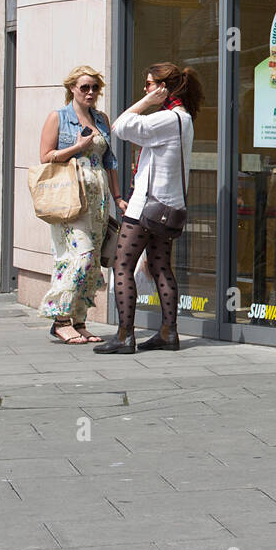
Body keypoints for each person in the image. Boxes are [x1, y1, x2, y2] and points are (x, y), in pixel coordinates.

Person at [94, 63, 201, 354]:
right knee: (161, 267)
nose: (146, 89)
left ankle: (124, 336)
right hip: (168, 207)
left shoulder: (167, 119)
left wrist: (146, 103)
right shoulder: (184, 119)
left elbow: (120, 126)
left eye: (150, 84)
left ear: (165, 89)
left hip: (146, 207)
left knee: (122, 266)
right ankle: (168, 333)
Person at [38, 66, 125, 343]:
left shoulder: (101, 118)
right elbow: (45, 156)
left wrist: (118, 196)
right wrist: (76, 147)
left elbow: (110, 162)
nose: (90, 92)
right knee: (80, 256)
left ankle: (79, 320)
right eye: (84, 87)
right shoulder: (58, 117)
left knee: (93, 261)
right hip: (70, 198)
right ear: (72, 88)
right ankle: (60, 320)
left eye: (94, 88)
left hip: (98, 198)